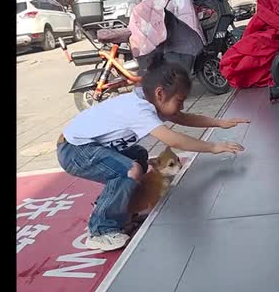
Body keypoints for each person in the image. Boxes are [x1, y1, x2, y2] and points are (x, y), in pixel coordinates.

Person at [56, 61, 248, 251]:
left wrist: (219, 123)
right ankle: (100, 230)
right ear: (160, 93)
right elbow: (174, 140)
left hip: (85, 146)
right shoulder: (139, 110)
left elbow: (183, 118)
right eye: (179, 101)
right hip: (74, 150)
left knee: (139, 155)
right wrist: (213, 147)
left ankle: (118, 207)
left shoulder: (150, 101)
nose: (180, 107)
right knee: (130, 170)